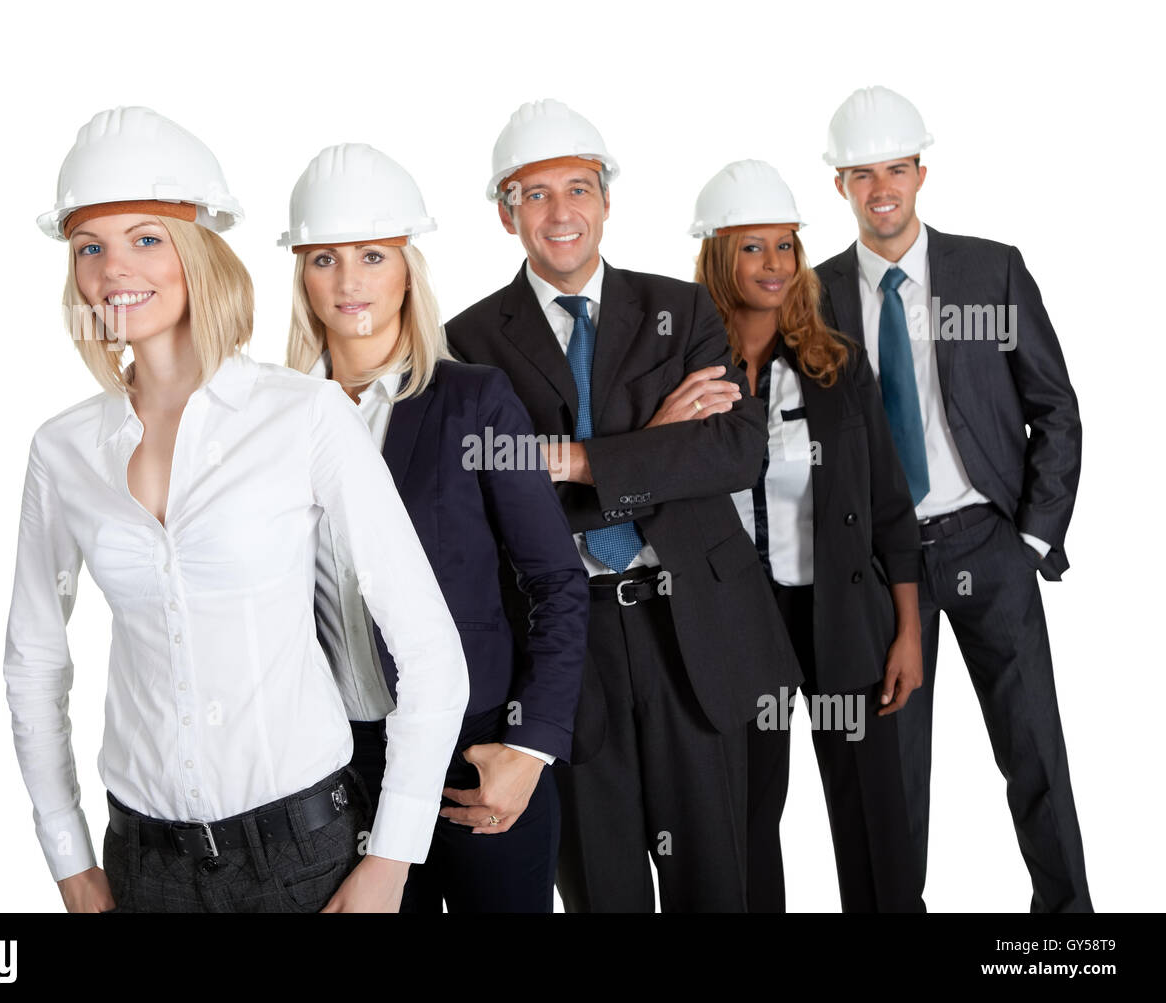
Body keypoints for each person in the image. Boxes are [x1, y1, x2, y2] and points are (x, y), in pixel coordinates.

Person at [3, 107, 468, 913]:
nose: (114, 269)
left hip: (303, 857)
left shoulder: (304, 416)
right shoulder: (63, 449)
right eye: (90, 247)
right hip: (143, 865)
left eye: (145, 238)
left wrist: (391, 859)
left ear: (198, 251)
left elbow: (430, 649)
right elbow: (34, 659)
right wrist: (69, 857)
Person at [446, 99, 801, 912]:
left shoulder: (682, 308)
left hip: (698, 635)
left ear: (606, 200)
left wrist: (571, 461)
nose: (560, 212)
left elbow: (732, 453)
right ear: (506, 214)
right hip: (566, 645)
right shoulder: (468, 341)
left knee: (722, 886)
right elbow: (488, 503)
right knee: (603, 889)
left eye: (578, 188)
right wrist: (655, 441)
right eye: (535, 194)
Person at [279, 143, 589, 912]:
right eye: (324, 259)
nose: (349, 282)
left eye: (373, 256)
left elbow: (555, 579)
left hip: (472, 752)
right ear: (301, 275)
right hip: (337, 768)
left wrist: (528, 747)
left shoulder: (475, 399)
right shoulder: (273, 419)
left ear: (407, 269)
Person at [814, 86, 1090, 912]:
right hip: (881, 568)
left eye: (896, 168)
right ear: (840, 184)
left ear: (921, 173)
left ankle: (1070, 932)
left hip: (987, 543)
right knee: (893, 776)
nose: (882, 189)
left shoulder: (988, 269)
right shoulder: (816, 296)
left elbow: (1055, 407)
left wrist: (1031, 538)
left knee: (1034, 751)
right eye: (863, 174)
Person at [691, 159, 924, 911]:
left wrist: (908, 632)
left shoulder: (836, 365)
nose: (774, 263)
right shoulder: (685, 373)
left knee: (873, 813)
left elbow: (890, 506)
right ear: (718, 259)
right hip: (737, 622)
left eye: (785, 245)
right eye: (752, 247)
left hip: (837, 614)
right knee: (747, 813)